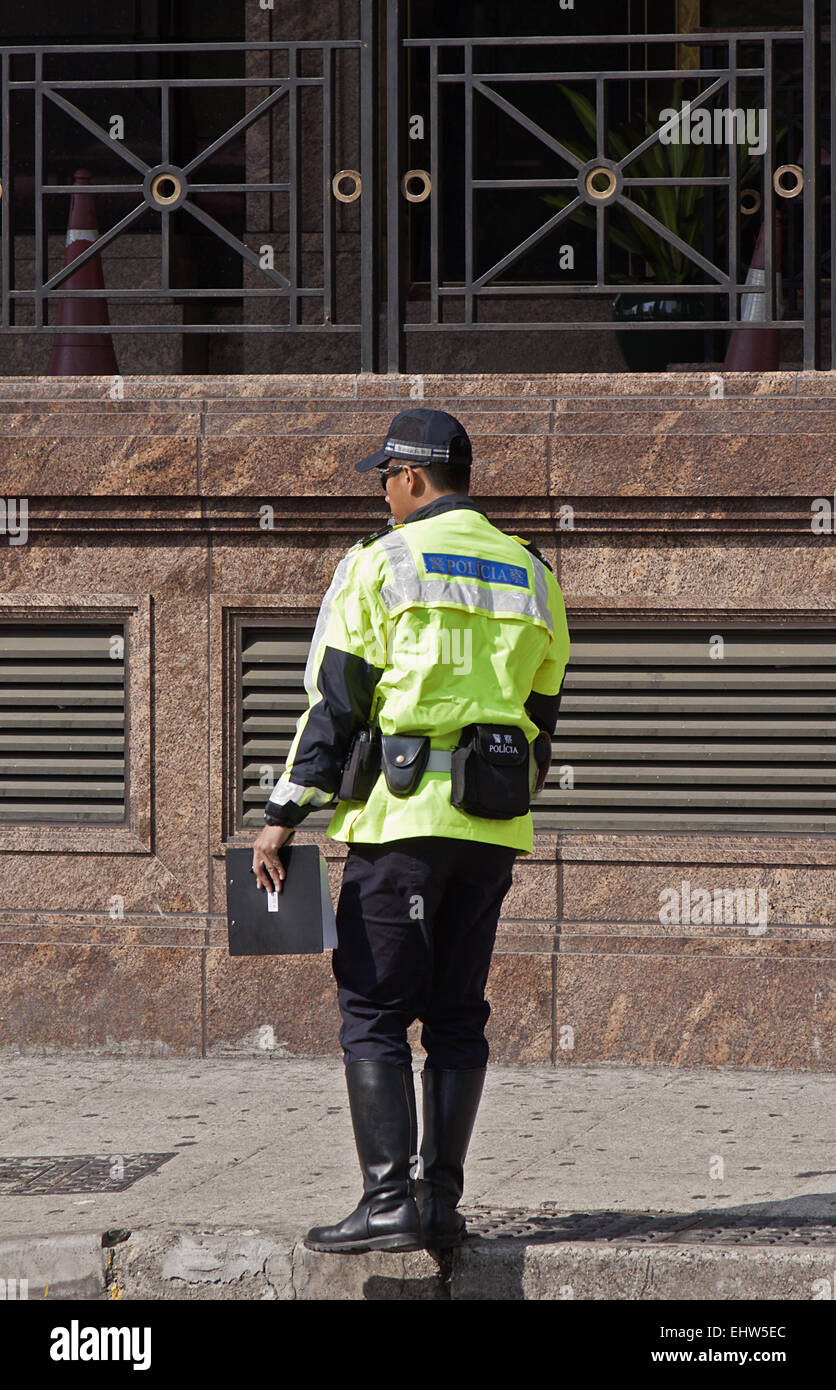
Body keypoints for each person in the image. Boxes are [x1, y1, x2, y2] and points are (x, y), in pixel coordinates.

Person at [251, 407, 570, 1254]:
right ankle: (442, 1205)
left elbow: (336, 705)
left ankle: (389, 1200)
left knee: (375, 1009)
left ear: (414, 478)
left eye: (385, 477)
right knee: (460, 1014)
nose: (384, 494)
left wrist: (283, 816)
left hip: (400, 827)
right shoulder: (533, 571)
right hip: (492, 831)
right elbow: (542, 713)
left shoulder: (379, 563)